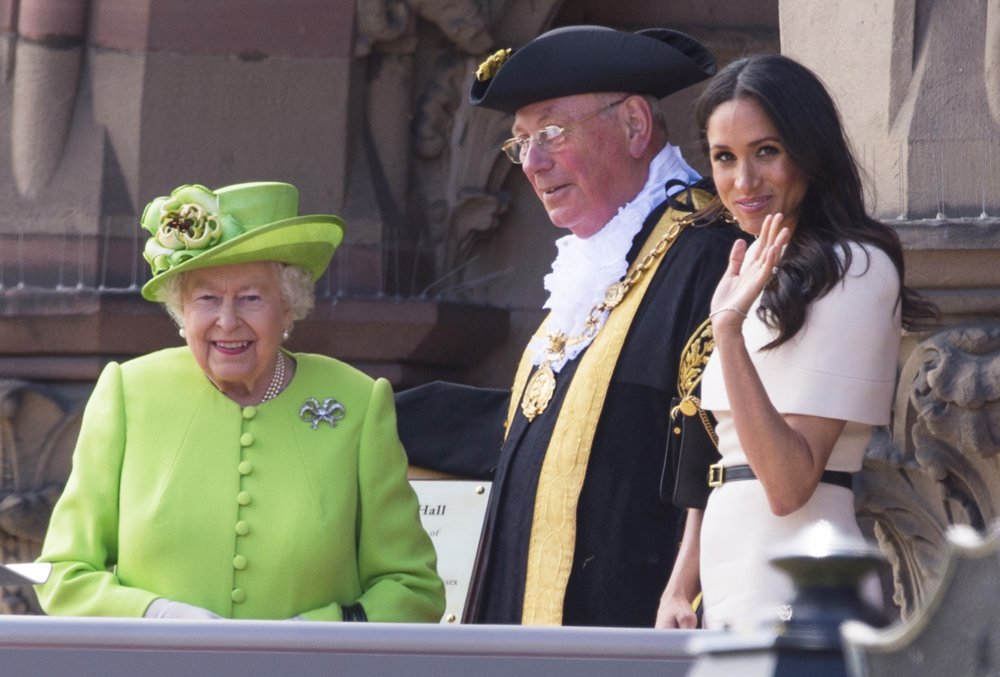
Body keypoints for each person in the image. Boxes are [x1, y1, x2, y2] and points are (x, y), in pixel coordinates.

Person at [442, 25, 744, 627]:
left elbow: (721, 454)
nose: (532, 163)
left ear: (635, 125)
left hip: (637, 630)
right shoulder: (593, 265)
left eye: (551, 133)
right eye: (520, 142)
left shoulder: (711, 255)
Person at [35, 181, 446, 622]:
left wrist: (322, 635)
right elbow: (62, 574)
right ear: (181, 311)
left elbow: (413, 588)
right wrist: (157, 617)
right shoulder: (128, 393)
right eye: (206, 298)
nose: (227, 322)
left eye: (251, 298)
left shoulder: (358, 401)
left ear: (288, 308)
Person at [655, 54, 937, 631]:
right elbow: (719, 452)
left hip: (798, 576)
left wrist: (728, 329)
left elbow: (787, 484)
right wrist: (681, 584)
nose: (744, 181)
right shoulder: (753, 267)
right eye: (724, 158)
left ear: (809, 152)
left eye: (767, 151)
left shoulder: (856, 267)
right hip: (730, 572)